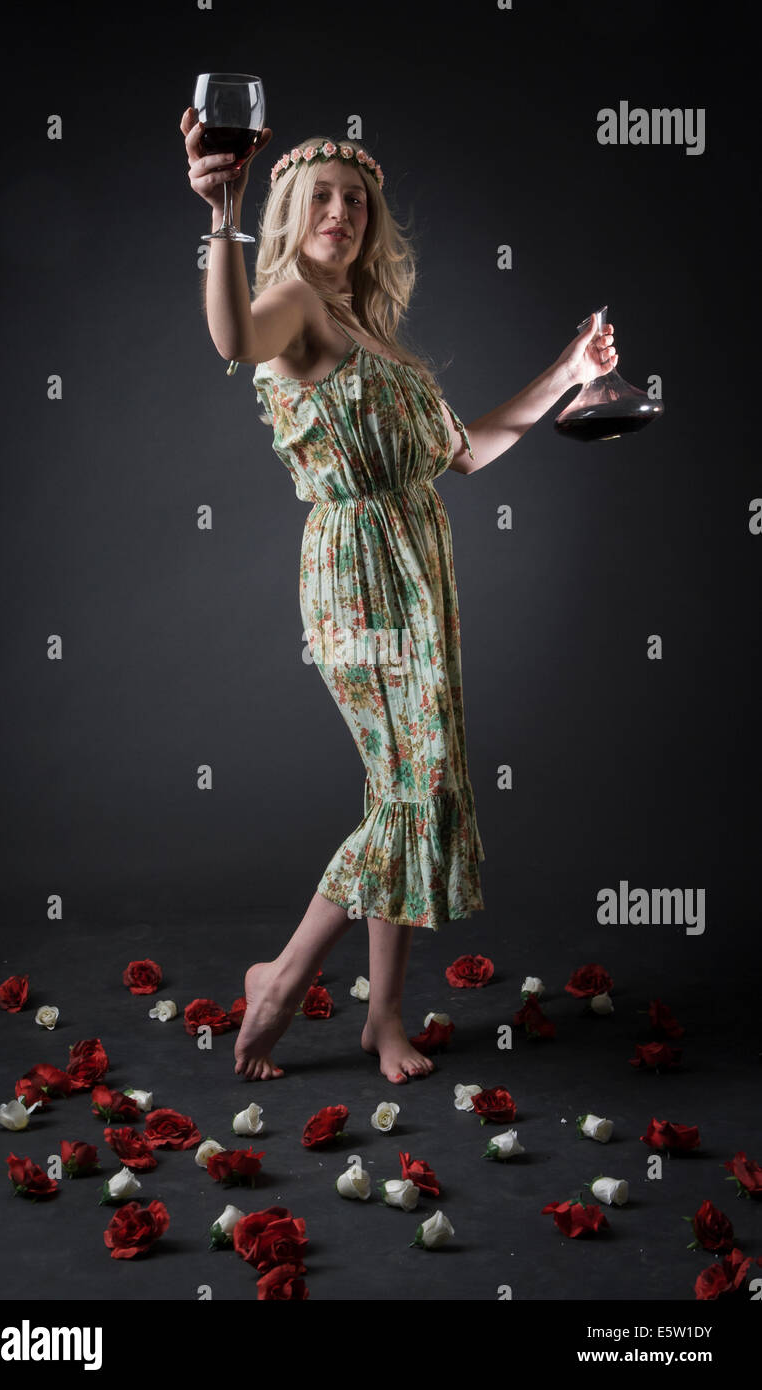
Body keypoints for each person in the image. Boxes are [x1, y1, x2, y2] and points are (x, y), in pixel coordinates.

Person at [180, 111, 618, 1085]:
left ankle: (384, 1019)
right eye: (323, 197)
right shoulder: (288, 298)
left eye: (357, 200)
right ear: (292, 211)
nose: (341, 211)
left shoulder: (371, 332)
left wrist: (569, 371)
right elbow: (231, 337)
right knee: (413, 792)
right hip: (355, 571)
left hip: (421, 565)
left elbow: (465, 453)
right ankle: (284, 975)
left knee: (406, 790)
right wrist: (223, 215)